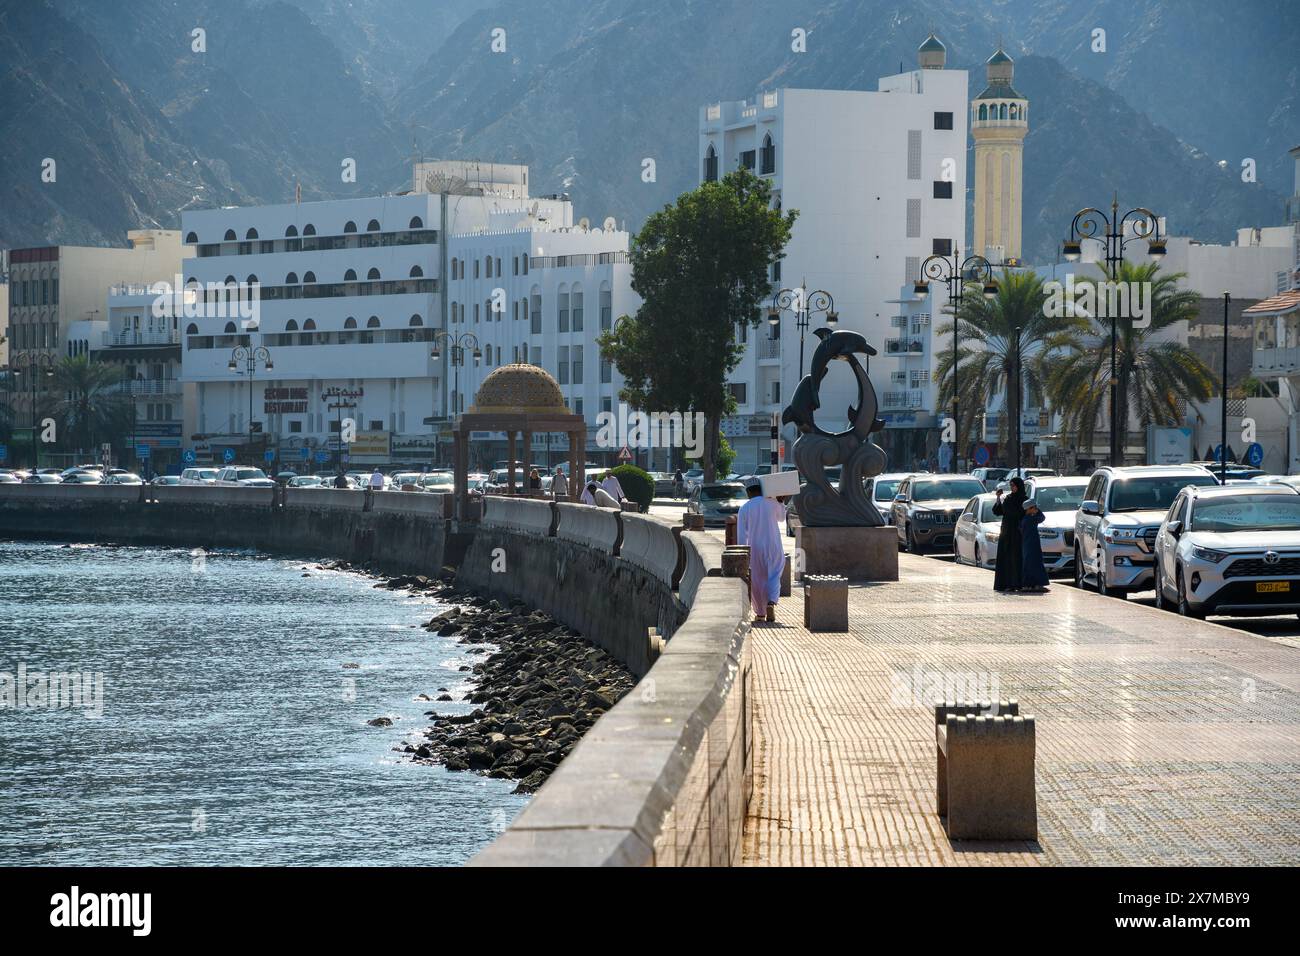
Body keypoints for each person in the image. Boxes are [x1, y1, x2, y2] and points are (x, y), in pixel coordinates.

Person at [736, 480, 786, 623]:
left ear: (748, 492)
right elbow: (782, 519)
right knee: (775, 574)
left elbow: (741, 535)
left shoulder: (745, 508)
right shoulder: (771, 503)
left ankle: (760, 613)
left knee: (757, 580)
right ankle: (771, 601)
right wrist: (781, 502)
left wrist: (742, 552)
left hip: (755, 548)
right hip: (774, 545)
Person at [992, 476, 1027, 592]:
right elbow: (998, 511)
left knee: (1017, 558)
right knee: (1005, 558)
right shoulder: (1008, 498)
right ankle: (1005, 583)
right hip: (1006, 532)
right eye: (1010, 485)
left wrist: (1008, 509)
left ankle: (1018, 583)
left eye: (1013, 485)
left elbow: (1019, 513)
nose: (1011, 488)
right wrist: (998, 498)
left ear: (1019, 486)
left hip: (1017, 532)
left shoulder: (1023, 499)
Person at [1020, 499, 1050, 592]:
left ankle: (1029, 584)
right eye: (1033, 508)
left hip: (1028, 544)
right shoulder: (1030, 519)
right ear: (1028, 509)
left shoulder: (1024, 519)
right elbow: (1042, 517)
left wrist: (1035, 509)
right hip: (1032, 544)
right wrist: (1038, 511)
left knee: (1029, 564)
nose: (1035, 509)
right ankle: (1035, 584)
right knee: (1035, 563)